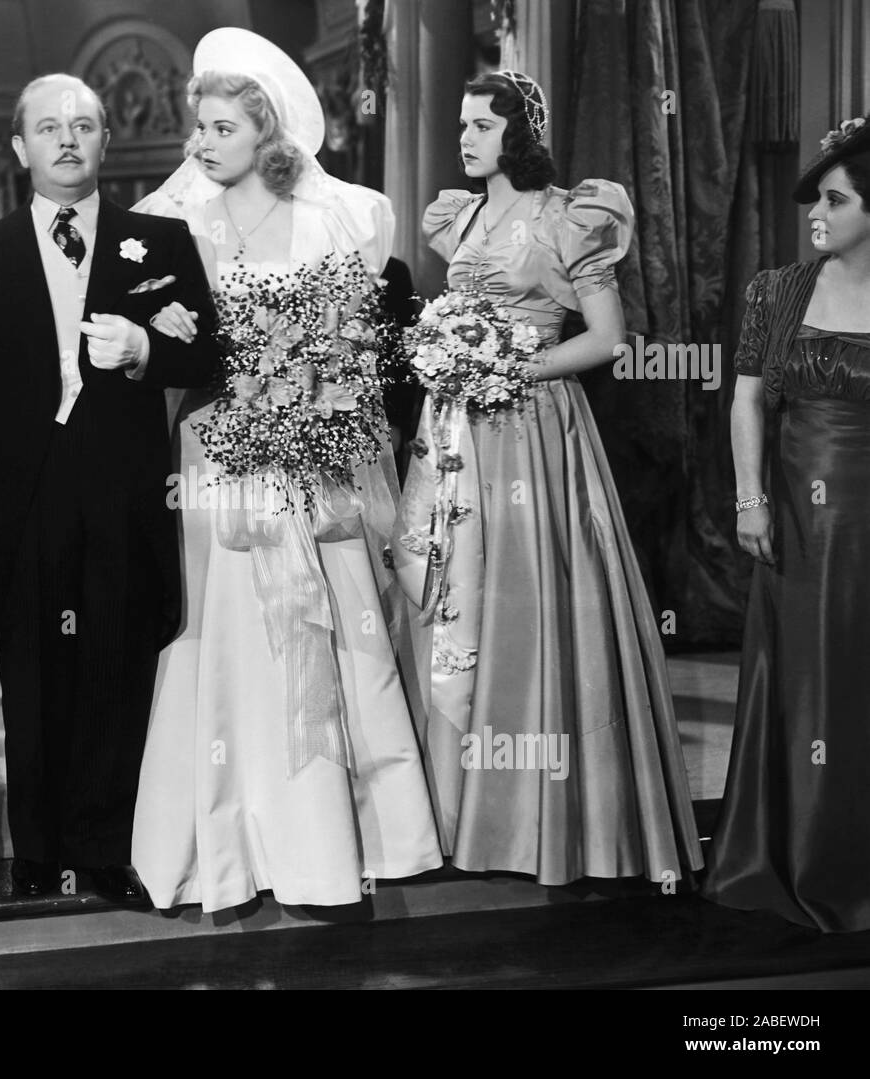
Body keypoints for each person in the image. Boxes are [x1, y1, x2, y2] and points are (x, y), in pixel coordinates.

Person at [129, 28, 443, 913]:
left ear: (267, 130)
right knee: (220, 626)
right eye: (199, 128)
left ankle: (334, 839)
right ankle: (222, 837)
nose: (200, 144)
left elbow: (356, 341)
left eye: (220, 129)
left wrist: (309, 400)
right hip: (216, 453)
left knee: (329, 619)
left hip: (312, 455)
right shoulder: (173, 222)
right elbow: (167, 345)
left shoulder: (342, 214)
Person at [0, 74, 219, 905]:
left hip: (125, 488)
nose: (68, 140)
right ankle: (38, 850)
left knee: (118, 661)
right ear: (21, 149)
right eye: (49, 128)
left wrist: (148, 352)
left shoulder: (160, 239)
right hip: (24, 493)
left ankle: (107, 847)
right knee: (33, 668)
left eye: (84, 125)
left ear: (106, 141)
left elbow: (212, 357)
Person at [394, 71, 702, 885]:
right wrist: (449, 357)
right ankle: (447, 809)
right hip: (455, 429)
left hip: (532, 433)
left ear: (517, 134)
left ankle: (532, 819)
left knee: (526, 603)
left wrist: (511, 365)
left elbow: (606, 338)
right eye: (461, 124)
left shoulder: (571, 215)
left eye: (482, 126)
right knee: (450, 593)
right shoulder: (457, 217)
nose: (465, 138)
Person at [703, 117, 870, 932]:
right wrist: (748, 498)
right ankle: (788, 853)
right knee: (804, 682)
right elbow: (745, 400)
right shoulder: (779, 289)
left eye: (833, 200)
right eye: (814, 200)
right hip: (797, 529)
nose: (814, 213)